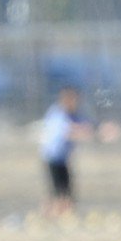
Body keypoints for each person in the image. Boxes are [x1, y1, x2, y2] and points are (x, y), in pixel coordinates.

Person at [39, 86, 94, 217]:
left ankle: (64, 214)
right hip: (52, 157)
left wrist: (98, 129)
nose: (76, 103)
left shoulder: (73, 114)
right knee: (56, 190)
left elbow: (88, 124)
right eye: (74, 100)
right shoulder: (57, 113)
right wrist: (86, 132)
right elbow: (67, 131)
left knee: (67, 189)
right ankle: (49, 215)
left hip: (63, 158)